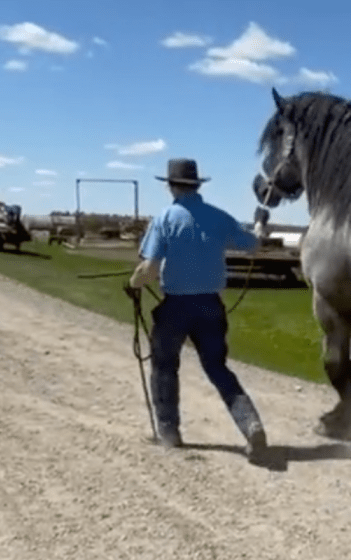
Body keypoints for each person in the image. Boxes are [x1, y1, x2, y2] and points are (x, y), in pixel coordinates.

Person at [129, 158, 270, 465]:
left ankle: (169, 432)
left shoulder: (165, 218)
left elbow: (149, 269)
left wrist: (134, 282)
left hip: (175, 307)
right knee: (218, 369)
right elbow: (253, 245)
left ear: (170, 185)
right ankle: (251, 426)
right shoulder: (219, 217)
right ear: (196, 185)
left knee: (165, 367)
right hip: (210, 306)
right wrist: (259, 222)